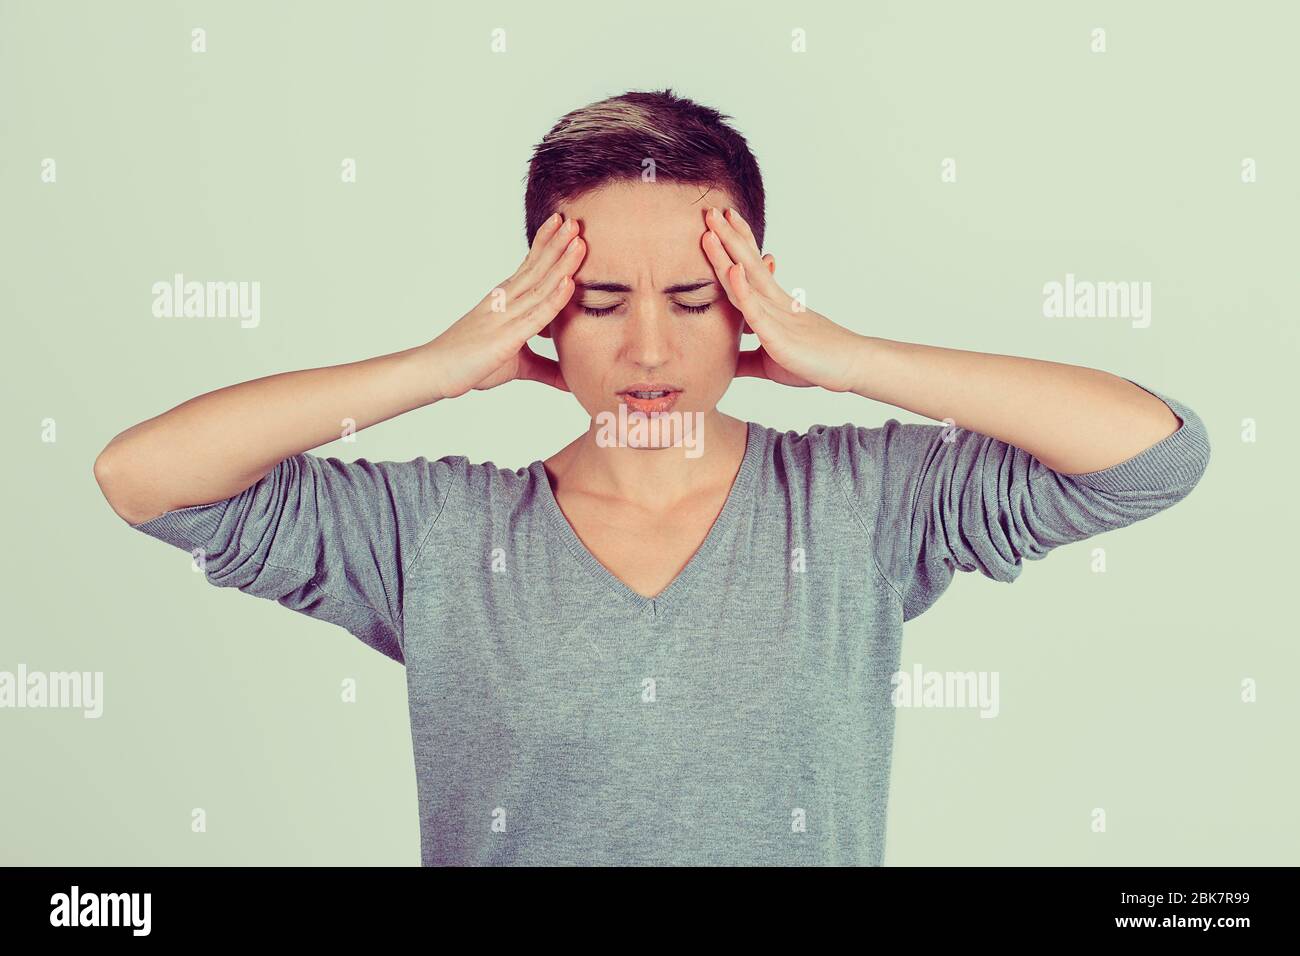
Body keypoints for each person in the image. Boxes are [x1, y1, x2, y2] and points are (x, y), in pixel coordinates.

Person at [93, 89, 1212, 865]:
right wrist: (433, 369)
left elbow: (1150, 452)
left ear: (753, 299)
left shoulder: (860, 505)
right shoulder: (435, 532)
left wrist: (847, 357)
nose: (647, 352)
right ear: (534, 308)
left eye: (691, 300)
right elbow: (144, 476)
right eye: (596, 302)